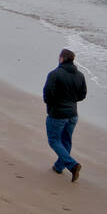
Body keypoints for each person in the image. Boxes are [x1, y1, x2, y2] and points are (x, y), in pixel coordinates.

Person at [43, 48, 87, 181]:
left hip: (57, 114)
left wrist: (53, 105)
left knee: (54, 141)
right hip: (73, 114)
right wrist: (70, 100)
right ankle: (59, 166)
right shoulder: (80, 75)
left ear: (61, 58)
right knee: (66, 140)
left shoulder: (54, 74)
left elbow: (47, 94)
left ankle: (72, 165)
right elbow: (82, 95)